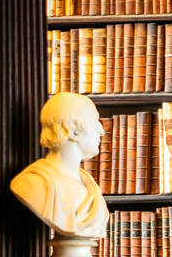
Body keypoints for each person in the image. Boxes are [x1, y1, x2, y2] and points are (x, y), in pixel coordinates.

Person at [10, 92, 109, 239]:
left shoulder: (89, 186)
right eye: (95, 121)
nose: (101, 130)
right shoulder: (33, 183)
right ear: (74, 130)